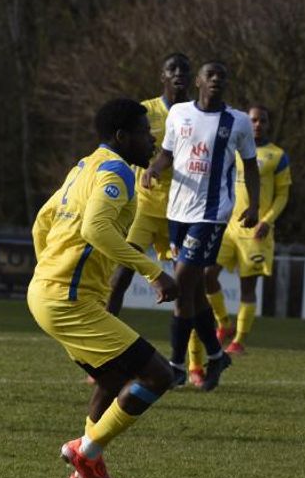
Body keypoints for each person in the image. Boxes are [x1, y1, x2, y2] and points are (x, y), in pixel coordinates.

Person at [27, 98, 180, 478]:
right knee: (159, 374)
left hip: (49, 294)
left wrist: (50, 269)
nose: (153, 141)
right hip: (66, 299)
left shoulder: (83, 166)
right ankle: (86, 451)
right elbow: (97, 229)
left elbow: (41, 222)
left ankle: (84, 477)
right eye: (147, 133)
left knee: (112, 377)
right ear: (122, 136)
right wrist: (154, 272)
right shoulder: (117, 172)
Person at [142, 60, 260, 392]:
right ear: (198, 81)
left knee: (180, 287)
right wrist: (153, 169)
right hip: (177, 212)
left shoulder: (236, 121)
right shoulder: (179, 114)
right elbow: (167, 154)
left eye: (222, 76)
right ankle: (216, 354)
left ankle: (176, 366)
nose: (217, 80)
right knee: (193, 293)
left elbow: (250, 166)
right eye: (211, 75)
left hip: (211, 214)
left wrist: (254, 204)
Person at [186, 104, 291, 384]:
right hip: (225, 226)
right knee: (207, 276)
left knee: (248, 288)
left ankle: (239, 339)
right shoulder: (233, 149)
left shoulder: (277, 156)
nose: (257, 125)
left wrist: (266, 220)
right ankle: (224, 322)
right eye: (253, 120)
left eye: (262, 121)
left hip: (256, 231)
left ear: (267, 124)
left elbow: (282, 194)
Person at [106, 53, 192, 316]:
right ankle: (104, 337)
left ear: (191, 78)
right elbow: (120, 148)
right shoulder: (145, 111)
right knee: (121, 274)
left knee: (185, 286)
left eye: (184, 70)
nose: (178, 73)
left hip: (180, 208)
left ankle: (191, 356)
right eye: (172, 69)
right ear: (162, 76)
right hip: (143, 205)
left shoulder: (195, 114)